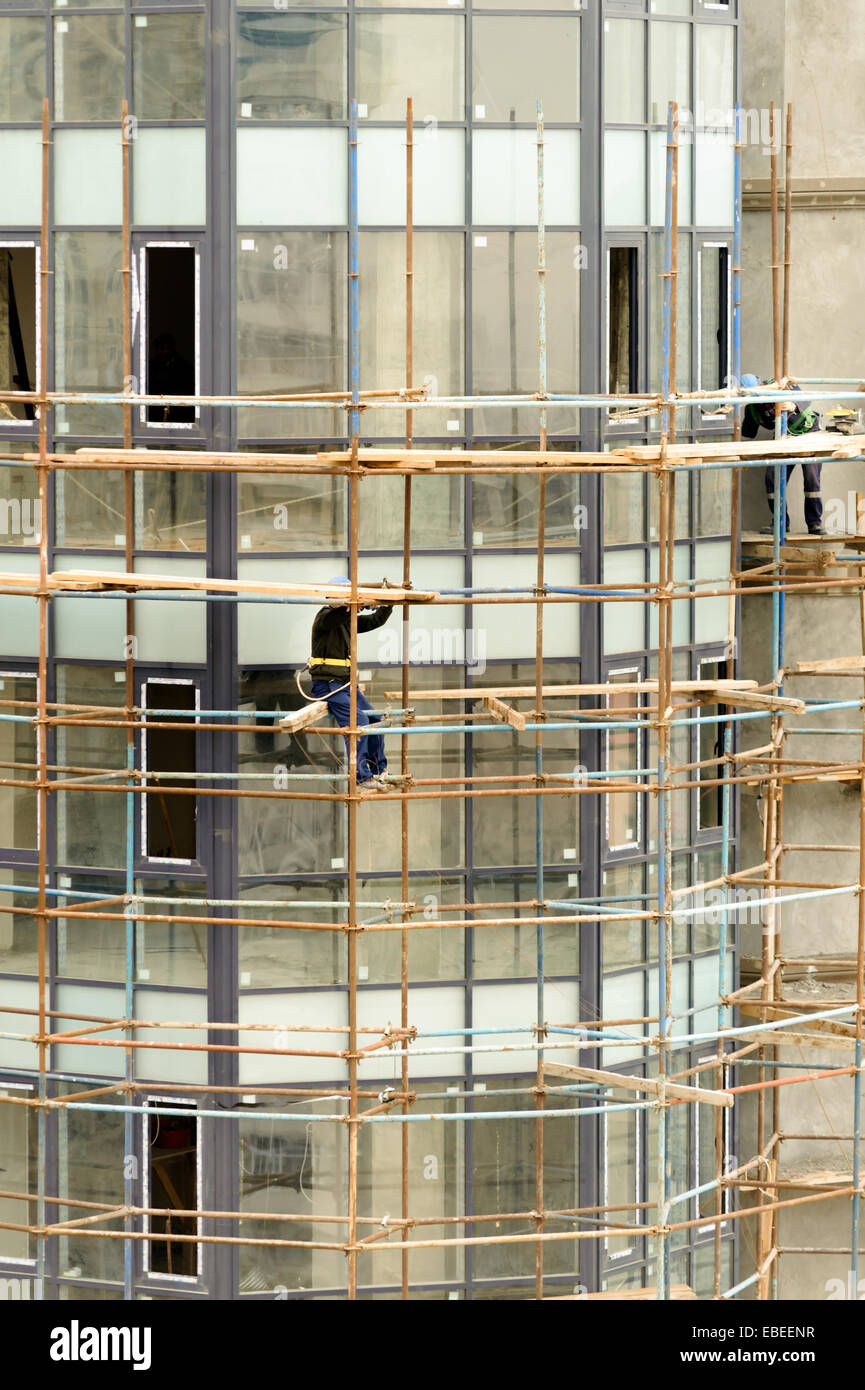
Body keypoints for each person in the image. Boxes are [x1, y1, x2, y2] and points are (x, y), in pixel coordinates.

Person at [309, 582, 395, 791]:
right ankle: (360, 776)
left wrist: (388, 603)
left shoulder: (348, 620)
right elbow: (339, 615)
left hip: (345, 684)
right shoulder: (325, 617)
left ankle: (377, 770)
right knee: (360, 723)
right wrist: (357, 604)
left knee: (374, 719)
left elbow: (375, 620)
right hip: (328, 685)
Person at [740, 373, 824, 536]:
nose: (758, 397)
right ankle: (780, 522)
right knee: (773, 478)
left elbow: (804, 399)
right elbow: (747, 434)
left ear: (763, 384)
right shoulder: (752, 408)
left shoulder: (781, 385)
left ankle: (815, 524)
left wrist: (793, 404)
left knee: (812, 479)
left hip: (809, 434)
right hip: (784, 438)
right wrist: (740, 454)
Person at [148, 332, 196, 424]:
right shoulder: (148, 367)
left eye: (167, 348)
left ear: (173, 349)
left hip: (179, 415)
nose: (164, 352)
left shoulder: (186, 368)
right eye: (160, 348)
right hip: (154, 415)